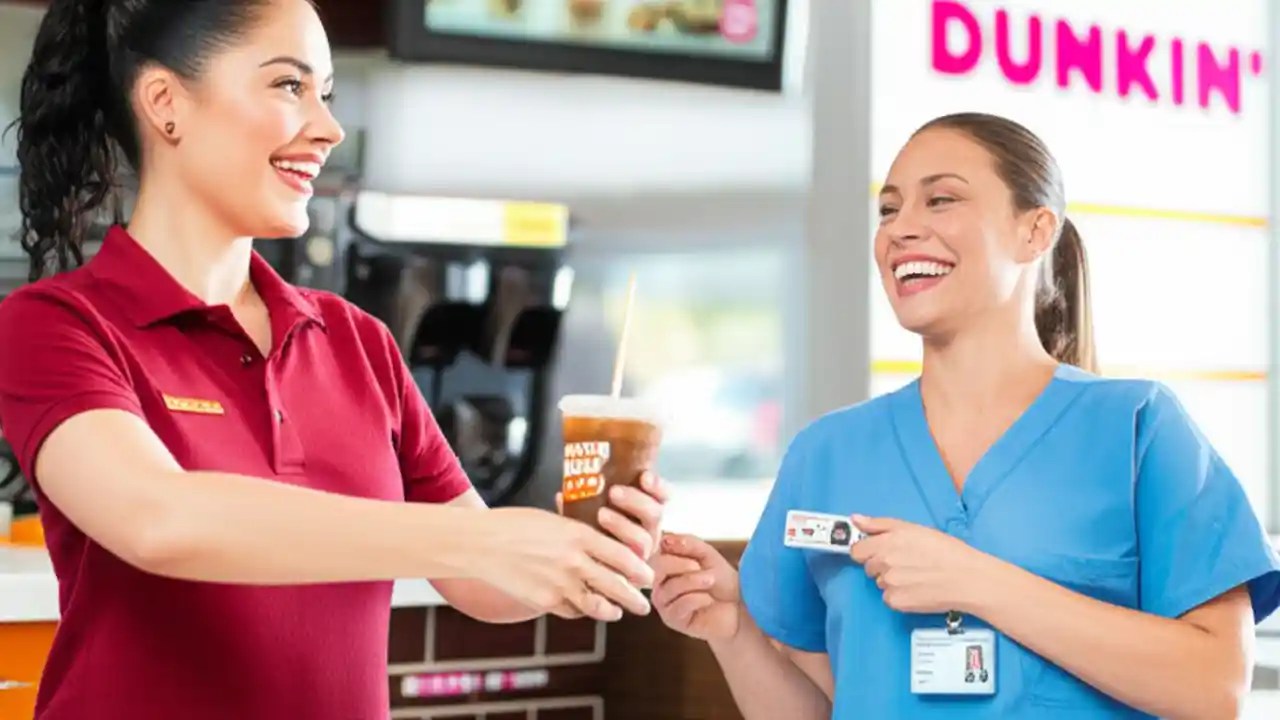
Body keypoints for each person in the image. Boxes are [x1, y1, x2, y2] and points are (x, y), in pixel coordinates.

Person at [0, 1, 667, 718]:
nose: (328, 128)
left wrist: (583, 550)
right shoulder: (57, 325)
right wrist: (477, 538)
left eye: (327, 94)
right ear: (166, 103)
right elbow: (159, 519)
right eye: (290, 86)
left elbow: (481, 584)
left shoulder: (357, 340)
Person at [650, 112, 1280, 719]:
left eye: (942, 200)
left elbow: (1215, 686)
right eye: (890, 209)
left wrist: (976, 581)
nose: (902, 228)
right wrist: (731, 626)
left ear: (1035, 231)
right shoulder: (827, 453)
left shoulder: (1138, 428)